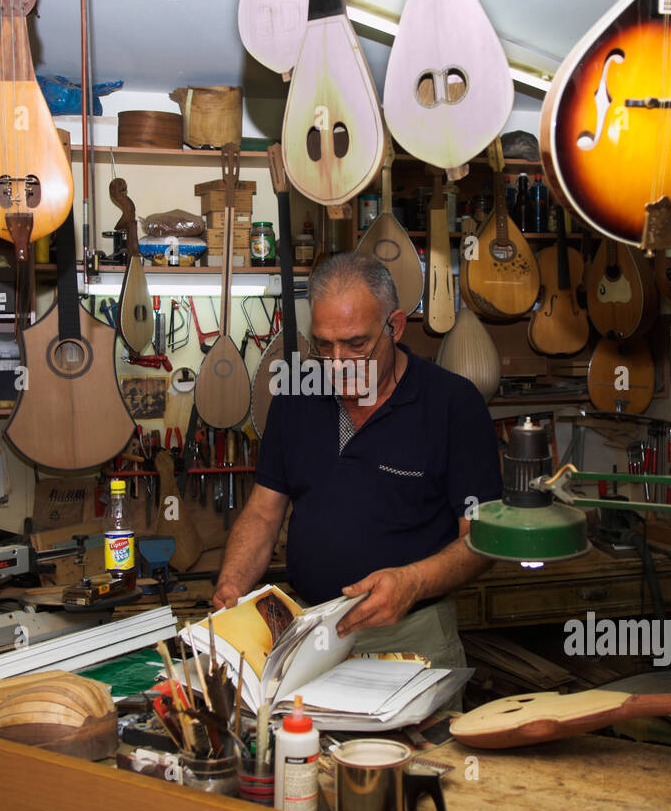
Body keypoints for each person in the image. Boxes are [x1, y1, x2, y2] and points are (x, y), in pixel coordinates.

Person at [212, 252, 502, 670]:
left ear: (395, 326)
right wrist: (232, 583)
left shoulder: (453, 405)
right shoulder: (295, 397)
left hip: (410, 634)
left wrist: (413, 581)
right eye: (324, 345)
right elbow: (263, 511)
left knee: (421, 739)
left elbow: (483, 537)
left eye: (356, 344)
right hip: (309, 632)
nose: (338, 363)